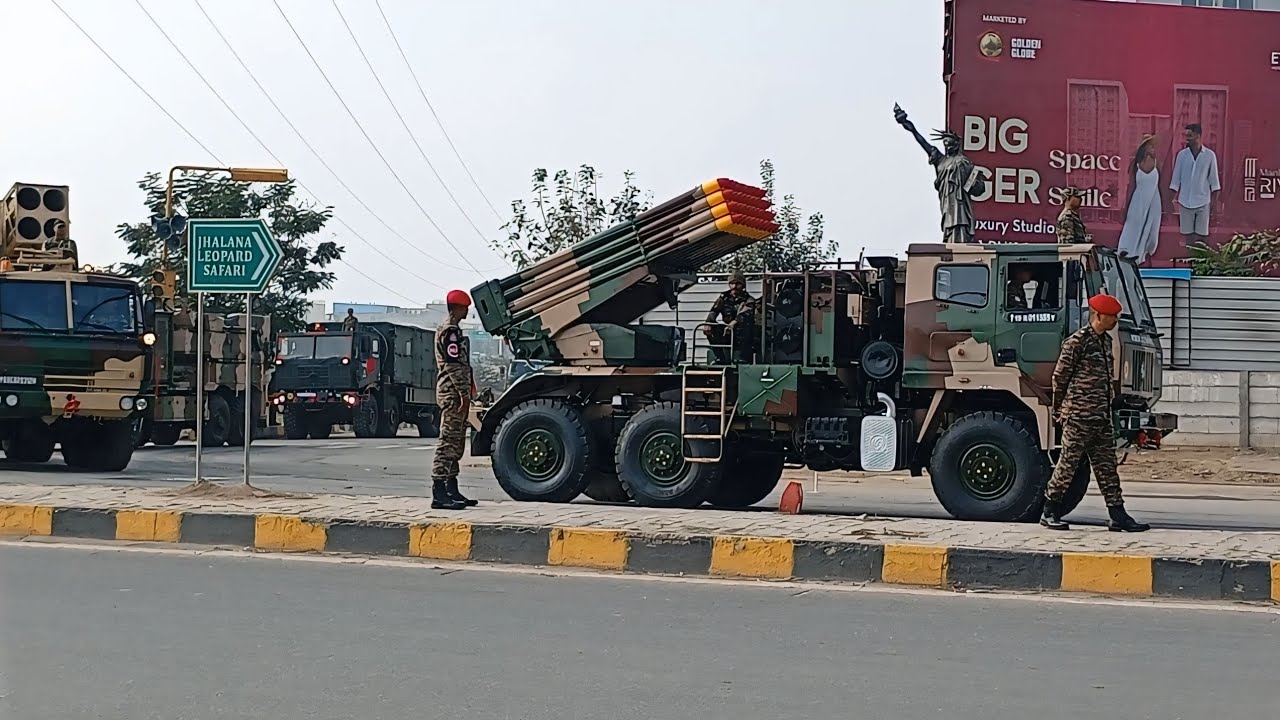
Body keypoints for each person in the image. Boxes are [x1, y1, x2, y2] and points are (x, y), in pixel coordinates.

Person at [1041, 293, 1149, 532]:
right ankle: (1049, 510)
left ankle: (1117, 514)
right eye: (1112, 316)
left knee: (1107, 467)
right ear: (1098, 316)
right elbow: (1060, 377)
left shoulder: (1106, 342)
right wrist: (1058, 408)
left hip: (1100, 417)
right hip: (1079, 416)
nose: (1115, 321)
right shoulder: (1077, 342)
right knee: (1067, 464)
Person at [431, 289, 478, 510]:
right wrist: (463, 393)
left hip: (456, 392)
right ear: (458, 308)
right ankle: (439, 492)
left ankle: (451, 488)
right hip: (452, 393)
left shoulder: (450, 329)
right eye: (465, 307)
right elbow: (453, 365)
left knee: (457, 441)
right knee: (448, 441)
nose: (467, 311)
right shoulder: (450, 331)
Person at [1169, 123, 1220, 248]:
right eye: (1186, 135)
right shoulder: (1181, 155)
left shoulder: (1209, 156)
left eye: (1190, 135)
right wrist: (1169, 201)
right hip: (1185, 201)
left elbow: (1215, 182)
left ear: (1198, 135)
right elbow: (1175, 180)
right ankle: (1190, 263)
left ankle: (1200, 265)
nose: (1187, 138)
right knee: (1188, 237)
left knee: (1202, 238)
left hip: (1203, 202)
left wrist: (1214, 205)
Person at [1117, 135, 1163, 265]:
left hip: (1152, 198)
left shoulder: (1149, 161)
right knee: (1137, 225)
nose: (1154, 149)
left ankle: (1139, 253)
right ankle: (1129, 251)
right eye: (1151, 146)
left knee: (1149, 226)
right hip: (1142, 198)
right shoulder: (1146, 161)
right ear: (1145, 147)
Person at [703, 270, 756, 363]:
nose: (734, 287)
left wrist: (733, 323)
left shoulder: (749, 300)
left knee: (746, 327)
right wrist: (708, 323)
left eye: (737, 284)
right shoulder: (724, 297)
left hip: (743, 334)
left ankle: (739, 357)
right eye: (732, 283)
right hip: (727, 331)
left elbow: (744, 315)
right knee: (712, 329)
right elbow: (714, 310)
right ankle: (720, 358)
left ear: (743, 285)